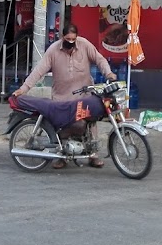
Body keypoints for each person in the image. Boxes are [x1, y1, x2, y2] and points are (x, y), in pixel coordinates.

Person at [13, 24, 116, 169]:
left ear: (77, 37)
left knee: (91, 124)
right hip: (62, 98)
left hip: (84, 96)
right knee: (63, 128)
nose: (71, 42)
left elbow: (100, 60)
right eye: (68, 39)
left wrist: (109, 73)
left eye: (73, 39)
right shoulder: (53, 50)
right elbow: (38, 71)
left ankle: (93, 155)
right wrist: (23, 89)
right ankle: (62, 157)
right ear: (62, 37)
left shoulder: (85, 45)